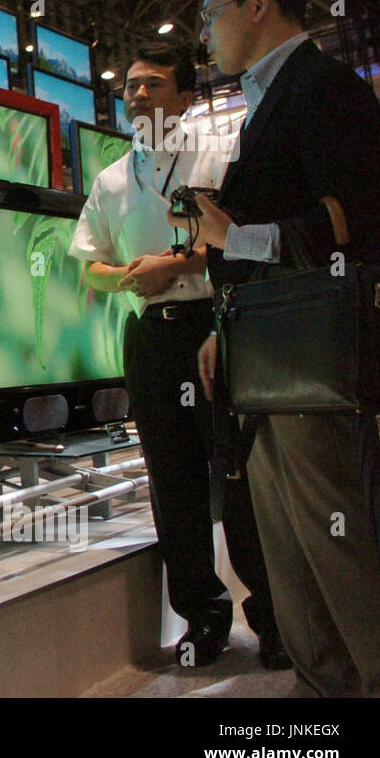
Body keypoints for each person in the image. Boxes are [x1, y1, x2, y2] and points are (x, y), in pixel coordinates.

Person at [171, 0, 380, 697]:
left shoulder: (326, 87)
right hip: (262, 357)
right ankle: (323, 688)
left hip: (312, 360)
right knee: (290, 549)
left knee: (343, 540)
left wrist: (237, 240)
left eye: (210, 14)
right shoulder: (263, 103)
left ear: (257, 4)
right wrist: (222, 326)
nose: (204, 34)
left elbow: (356, 219)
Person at [70, 38, 285, 670]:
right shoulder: (111, 178)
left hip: (216, 326)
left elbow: (238, 237)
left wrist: (175, 264)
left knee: (239, 476)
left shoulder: (219, 155)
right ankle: (203, 616)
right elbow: (91, 266)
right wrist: (134, 275)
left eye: (153, 84)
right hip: (151, 337)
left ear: (187, 98)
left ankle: (272, 617)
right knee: (172, 482)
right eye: (130, 85)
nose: (137, 94)